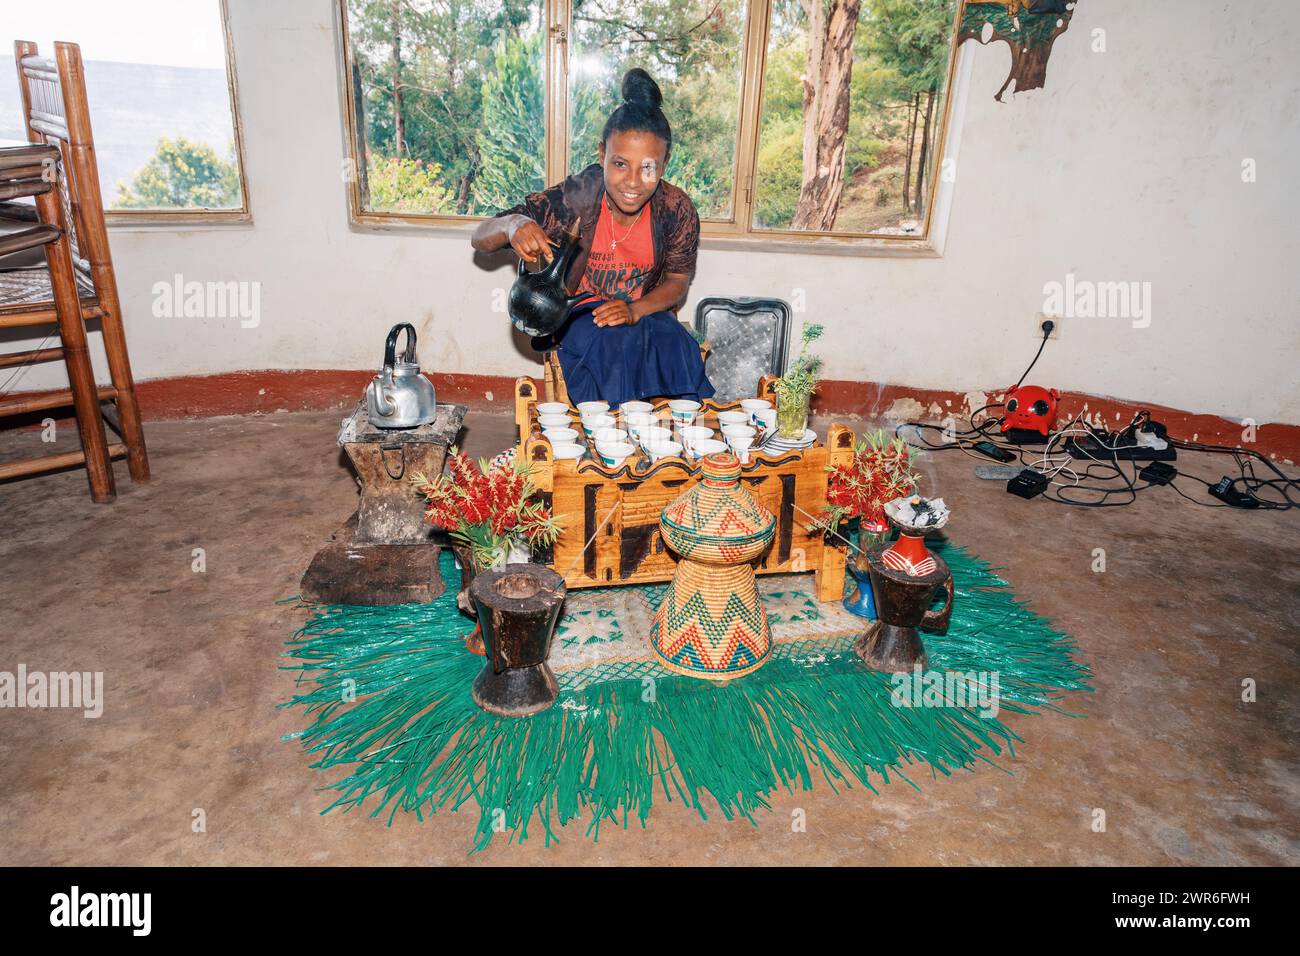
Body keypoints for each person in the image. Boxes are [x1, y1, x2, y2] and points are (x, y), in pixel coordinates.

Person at [471, 68, 714, 408]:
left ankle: (678, 437)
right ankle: (615, 442)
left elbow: (677, 282)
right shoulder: (574, 199)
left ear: (664, 164)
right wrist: (513, 224)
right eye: (619, 164)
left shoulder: (675, 208)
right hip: (583, 314)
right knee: (609, 344)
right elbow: (480, 237)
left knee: (674, 341)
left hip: (644, 312)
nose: (632, 182)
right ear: (601, 156)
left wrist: (634, 310)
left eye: (648, 167)